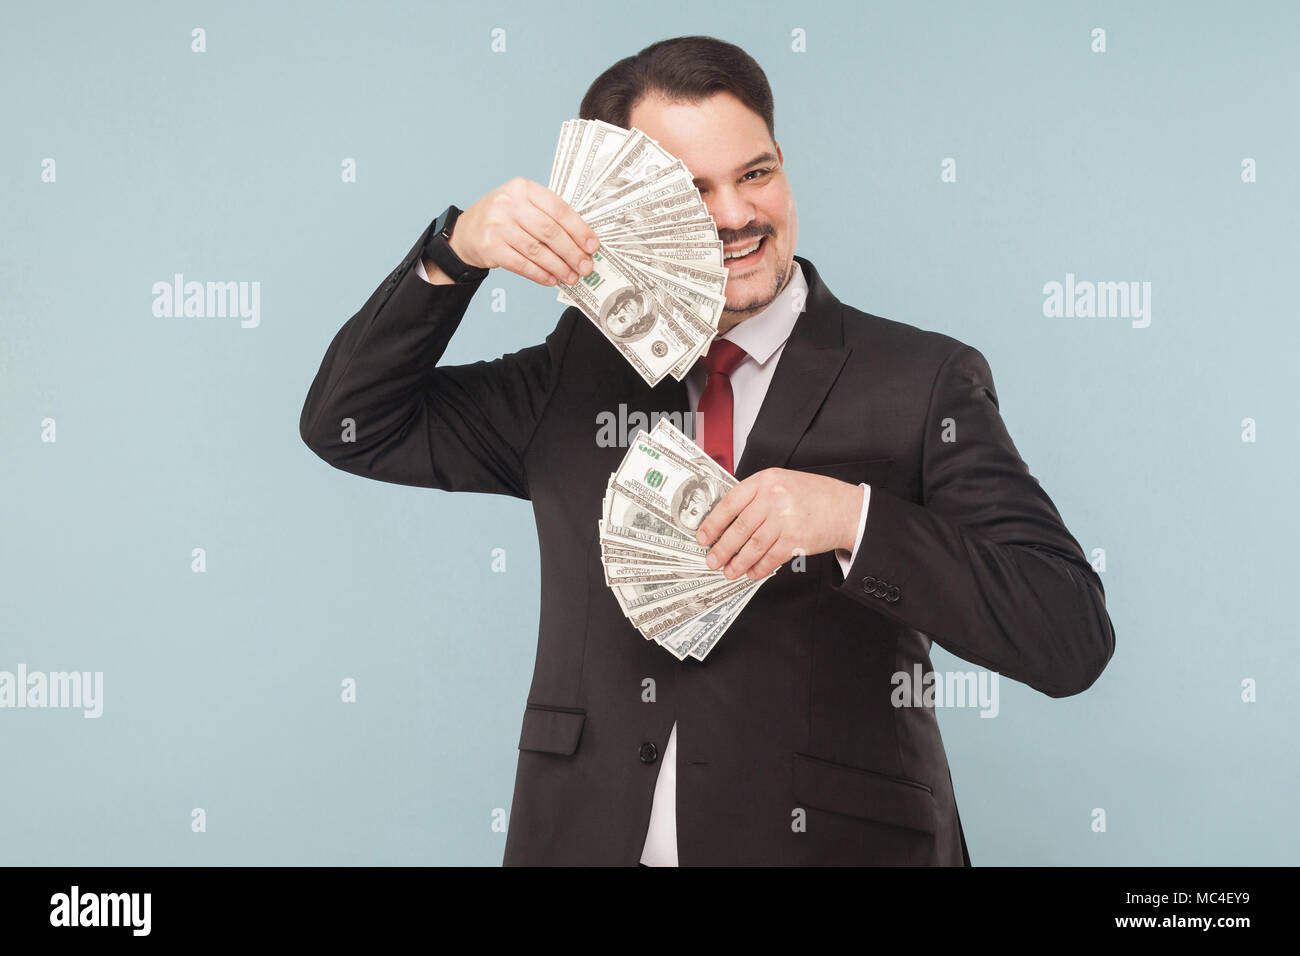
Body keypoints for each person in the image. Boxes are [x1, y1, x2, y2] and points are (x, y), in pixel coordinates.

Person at [298, 35, 1115, 866]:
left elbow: (1069, 634)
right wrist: (450, 258)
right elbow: (351, 423)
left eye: (754, 173)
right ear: (623, 210)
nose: (735, 216)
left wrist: (850, 517)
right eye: (691, 191)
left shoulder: (922, 380)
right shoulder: (575, 373)